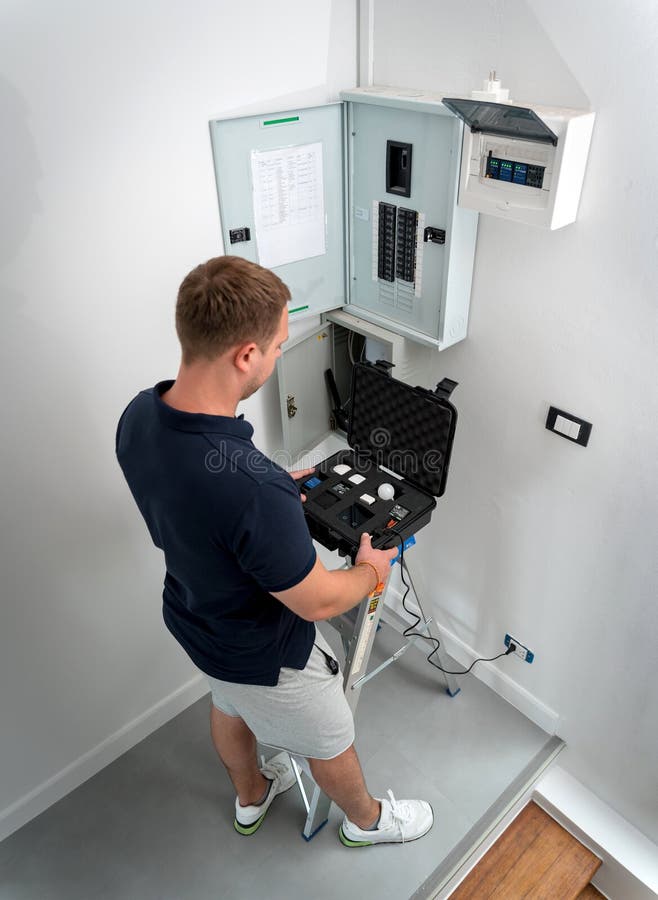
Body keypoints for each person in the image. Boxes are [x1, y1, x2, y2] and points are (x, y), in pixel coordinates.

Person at [116, 255, 433, 847]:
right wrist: (370, 571)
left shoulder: (139, 416)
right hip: (266, 651)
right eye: (279, 344)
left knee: (229, 704)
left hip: (194, 617)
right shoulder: (252, 488)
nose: (280, 353)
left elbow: (191, 498)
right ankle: (367, 822)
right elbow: (317, 602)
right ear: (246, 355)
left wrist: (269, 486)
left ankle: (251, 796)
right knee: (330, 738)